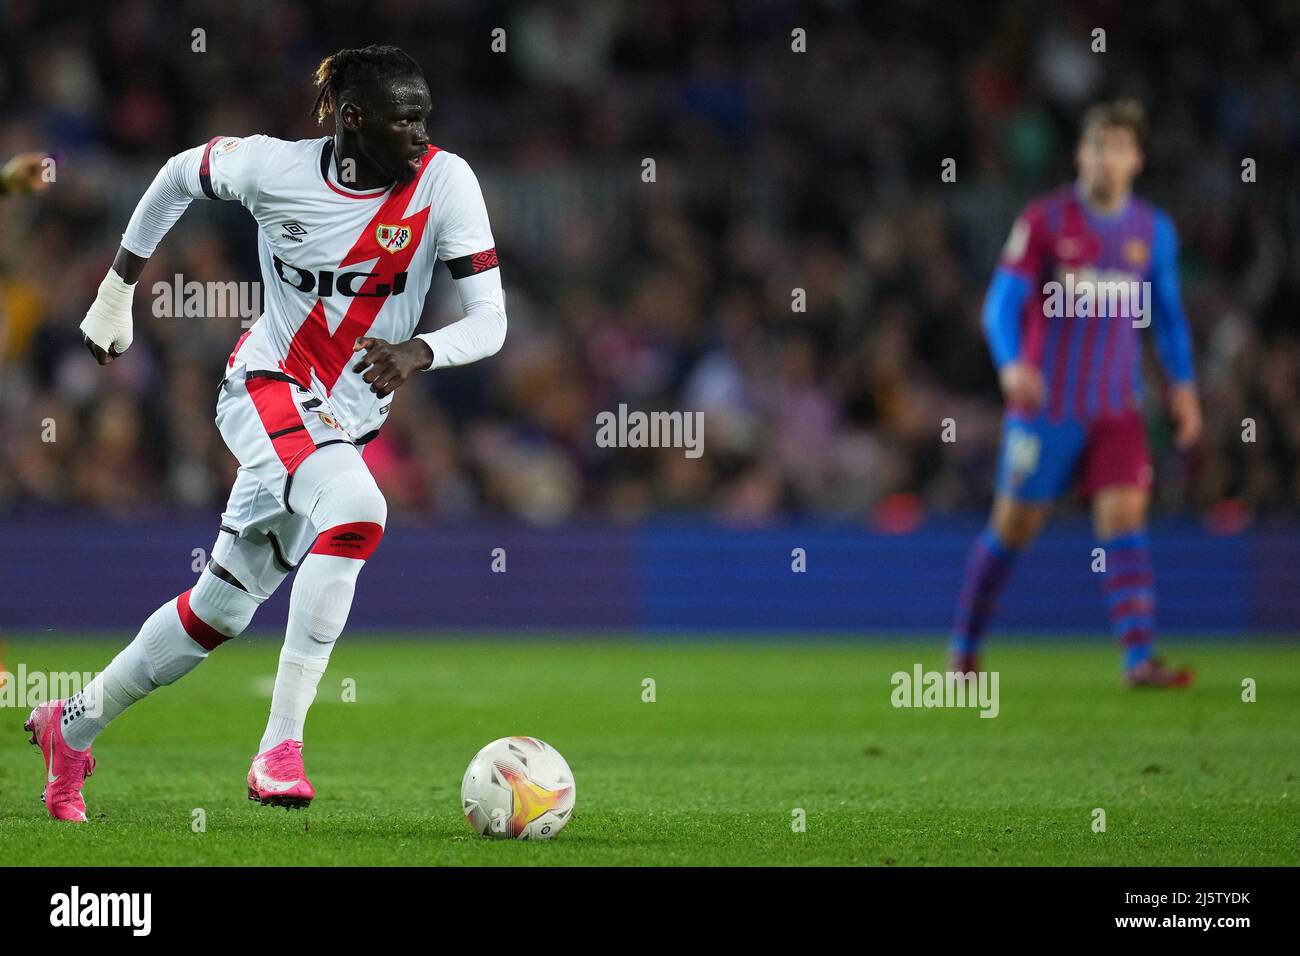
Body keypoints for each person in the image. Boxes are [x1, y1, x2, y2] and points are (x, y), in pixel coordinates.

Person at [26, 45, 507, 821]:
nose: (423, 133)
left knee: (217, 612)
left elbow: (492, 320)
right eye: (406, 117)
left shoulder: (447, 182)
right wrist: (117, 292)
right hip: (265, 386)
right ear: (355, 119)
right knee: (357, 511)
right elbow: (180, 173)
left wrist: (421, 349)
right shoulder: (270, 168)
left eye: (426, 116)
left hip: (341, 420)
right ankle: (279, 748)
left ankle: (70, 725)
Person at [948, 99, 1200, 688]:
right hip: (1047, 408)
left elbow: (1168, 319)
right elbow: (1000, 306)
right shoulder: (1044, 221)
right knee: (1014, 526)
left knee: (1124, 513)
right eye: (1095, 146)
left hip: (1116, 407)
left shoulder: (1153, 232)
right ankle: (963, 650)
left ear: (1136, 159)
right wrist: (1011, 366)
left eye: (1117, 147)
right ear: (1079, 154)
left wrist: (1182, 388)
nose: (1104, 158)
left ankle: (1138, 659)